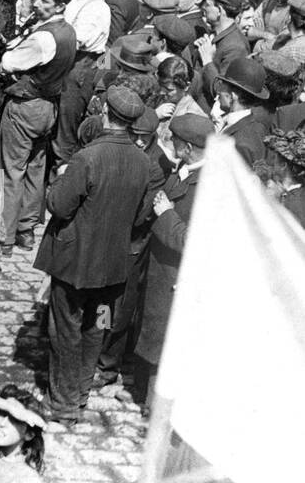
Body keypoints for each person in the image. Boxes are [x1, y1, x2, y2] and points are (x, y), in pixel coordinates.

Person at [34, 85, 152, 424]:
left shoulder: (87, 158)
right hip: (114, 270)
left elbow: (59, 205)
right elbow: (141, 214)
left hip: (75, 267)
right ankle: (82, 392)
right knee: (97, 326)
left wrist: (58, 180)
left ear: (105, 115)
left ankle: (64, 404)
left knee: (66, 330)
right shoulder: (143, 161)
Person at [132, 113, 216, 411]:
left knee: (164, 342)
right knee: (152, 331)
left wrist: (166, 214)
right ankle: (141, 392)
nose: (170, 144)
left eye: (175, 141)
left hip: (175, 275)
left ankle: (153, 407)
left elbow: (194, 241)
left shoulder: (207, 185)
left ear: (188, 147)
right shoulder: (186, 168)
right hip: (158, 267)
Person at [0, 0, 78, 254]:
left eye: (45, 0)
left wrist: (7, 62)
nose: (38, 2)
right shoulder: (69, 32)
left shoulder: (43, 38)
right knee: (35, 167)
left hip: (26, 107)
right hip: (49, 107)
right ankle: (26, 229)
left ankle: (3, 237)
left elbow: (9, 61)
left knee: (10, 170)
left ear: (59, 6)